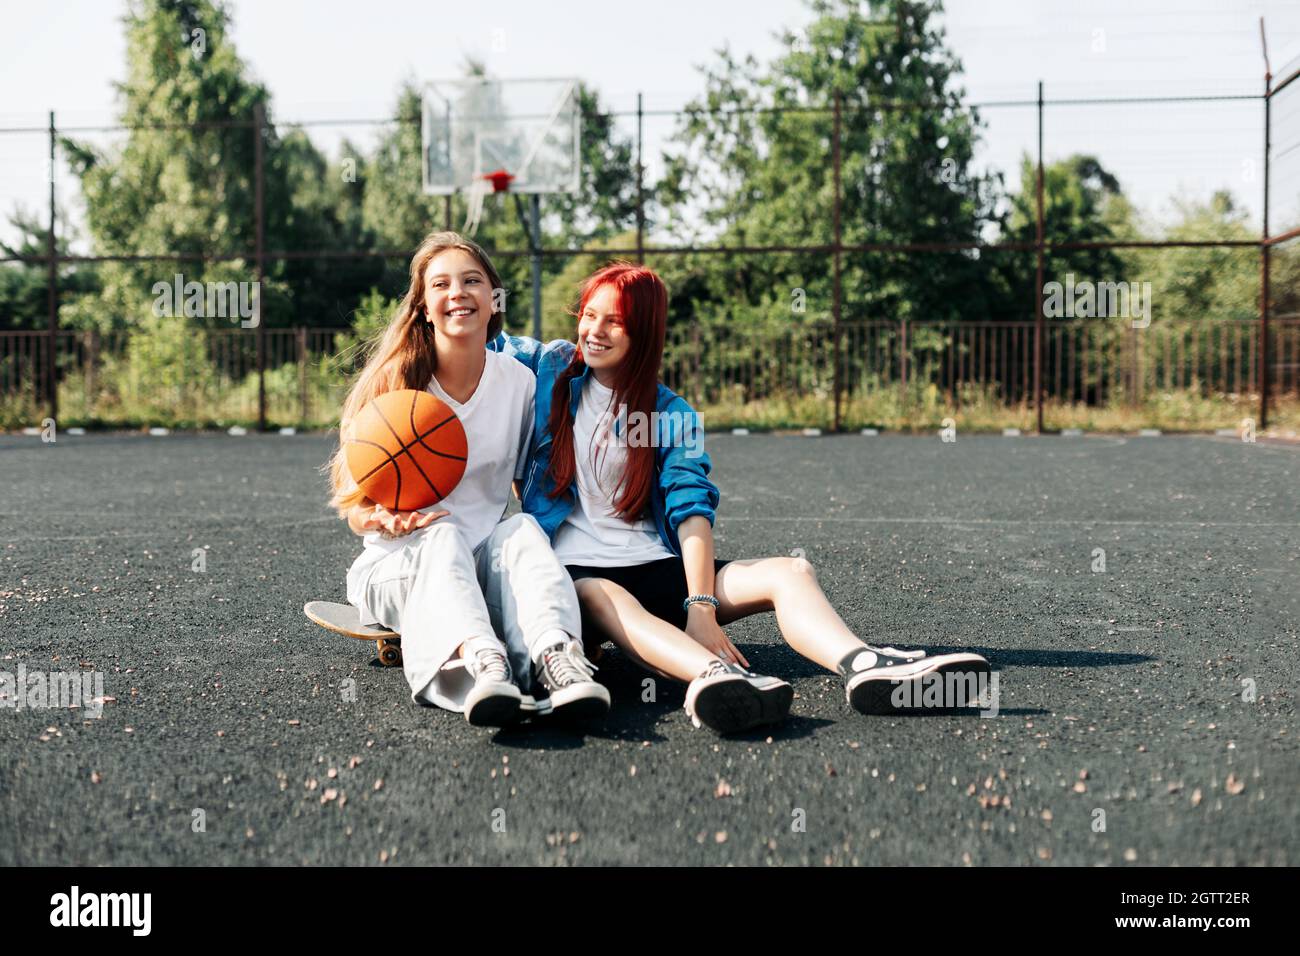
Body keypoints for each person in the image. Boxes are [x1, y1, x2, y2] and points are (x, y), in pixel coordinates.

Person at [492, 263, 991, 733]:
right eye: (589, 315)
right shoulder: (550, 370)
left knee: (789, 573)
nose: (594, 330)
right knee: (605, 595)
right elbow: (474, 333)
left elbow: (691, 513)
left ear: (643, 331)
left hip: (655, 568)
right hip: (578, 578)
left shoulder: (669, 412)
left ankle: (863, 664)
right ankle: (716, 678)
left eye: (615, 321)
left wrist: (701, 608)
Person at [327, 231, 608, 727]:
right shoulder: (396, 384)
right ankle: (481, 664)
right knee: (442, 534)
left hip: (479, 567)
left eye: (471, 280)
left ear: (492, 298)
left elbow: (534, 488)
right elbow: (354, 507)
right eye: (441, 284)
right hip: (401, 563)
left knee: (522, 530)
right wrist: (382, 518)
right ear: (424, 308)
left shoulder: (521, 383)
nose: (458, 292)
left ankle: (554, 659)